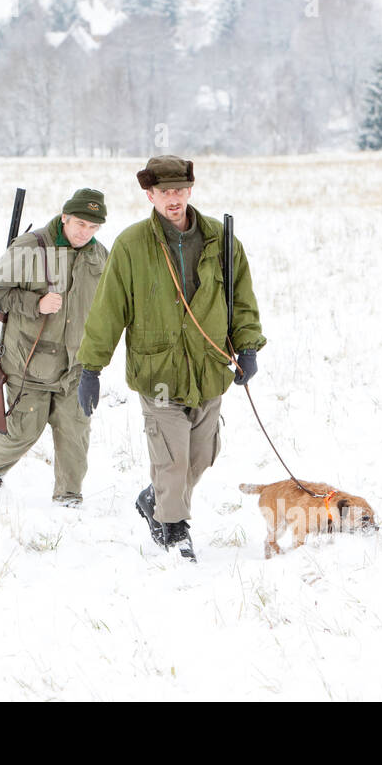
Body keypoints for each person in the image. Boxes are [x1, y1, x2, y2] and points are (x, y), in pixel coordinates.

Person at [75, 156, 266, 555]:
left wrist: (246, 348)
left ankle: (156, 499)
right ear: (150, 195)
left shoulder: (222, 238)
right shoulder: (131, 244)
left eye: (179, 190)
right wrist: (90, 368)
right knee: (172, 460)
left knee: (201, 455)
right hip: (157, 371)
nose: (173, 198)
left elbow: (241, 300)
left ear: (190, 191)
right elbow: (108, 310)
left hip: (208, 369)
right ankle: (174, 531)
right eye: (164, 192)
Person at [0, 189, 109, 505]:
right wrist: (35, 303)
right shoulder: (29, 247)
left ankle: (68, 497)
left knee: (74, 434)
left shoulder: (99, 255)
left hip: (75, 364)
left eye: (93, 228)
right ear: (64, 216)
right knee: (24, 432)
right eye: (80, 223)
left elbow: (107, 303)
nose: (85, 233)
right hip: (29, 362)